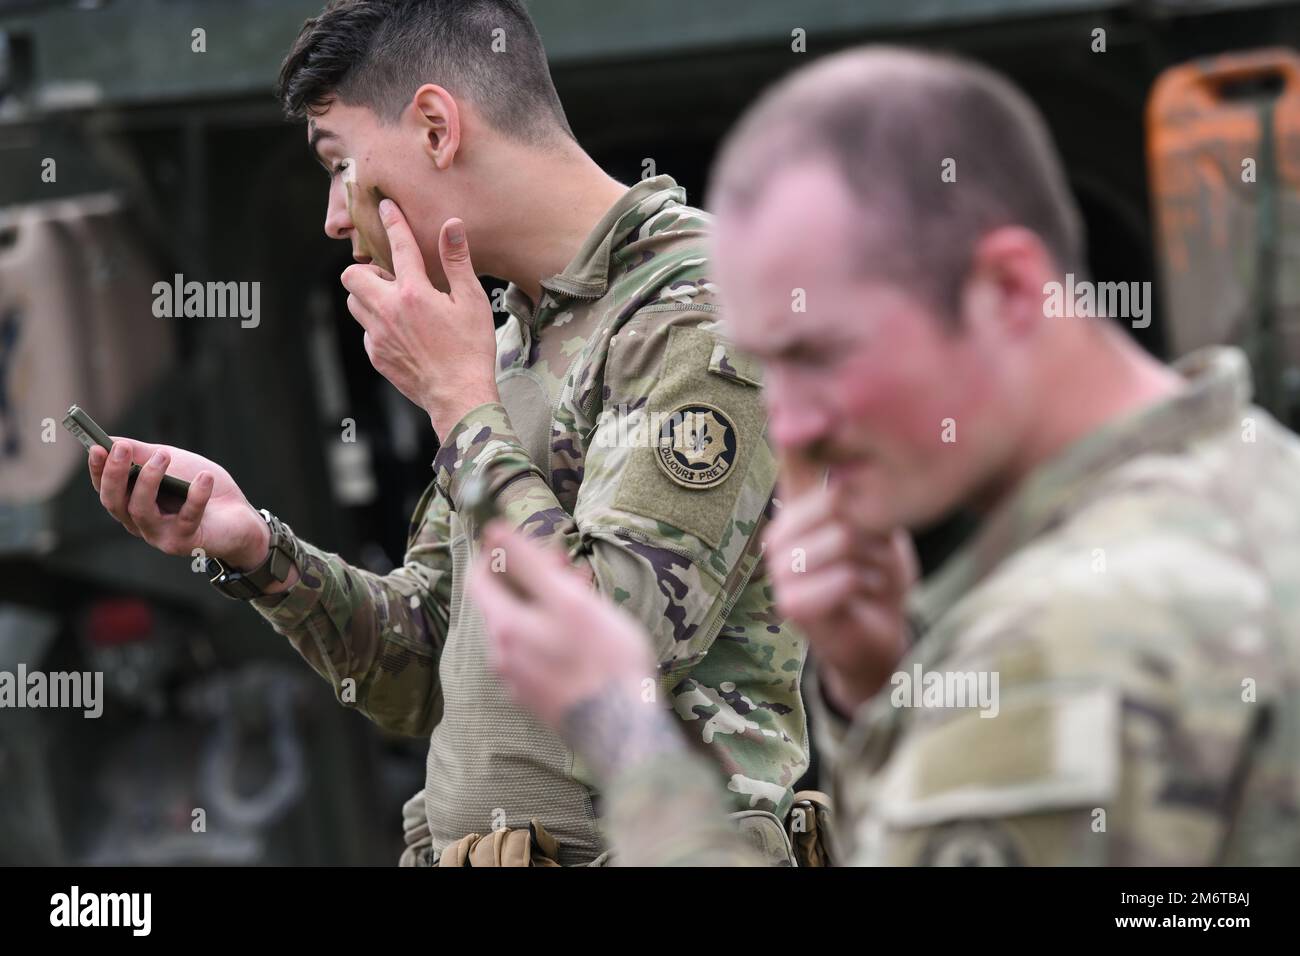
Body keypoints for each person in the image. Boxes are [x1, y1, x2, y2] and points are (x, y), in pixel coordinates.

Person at [471, 46, 1300, 866]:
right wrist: (886, 693)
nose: (789, 426)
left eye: (817, 355)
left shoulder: (1061, 643)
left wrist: (627, 738)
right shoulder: (1260, 476)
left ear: (1006, 290)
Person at [85, 0, 808, 866]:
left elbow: (615, 643)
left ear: (435, 126)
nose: (330, 216)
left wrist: (462, 406)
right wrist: (255, 550)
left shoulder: (699, 314)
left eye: (338, 162)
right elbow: (426, 670)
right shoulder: (500, 346)